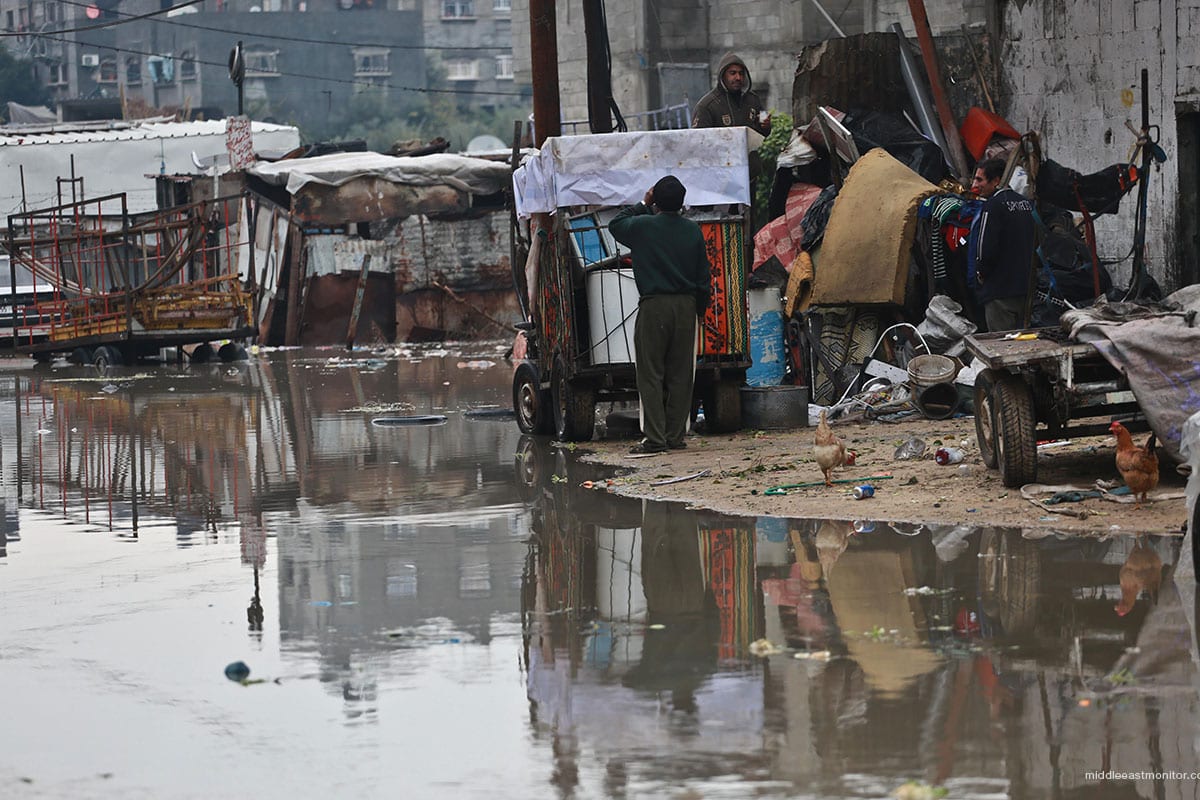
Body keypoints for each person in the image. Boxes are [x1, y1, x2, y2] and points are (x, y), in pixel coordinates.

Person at [609, 176, 711, 454]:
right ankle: (675, 436)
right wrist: (699, 311)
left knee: (650, 374)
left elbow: (615, 224)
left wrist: (643, 202)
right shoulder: (692, 231)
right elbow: (704, 277)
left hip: (654, 306)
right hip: (686, 306)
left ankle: (654, 439)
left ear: (657, 200)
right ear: (682, 202)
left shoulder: (642, 226)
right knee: (681, 375)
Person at [971, 157, 1036, 332]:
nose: (975, 185)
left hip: (1000, 293)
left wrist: (980, 272)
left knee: (1001, 346)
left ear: (996, 181)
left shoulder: (992, 206)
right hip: (1024, 290)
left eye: (980, 179)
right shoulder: (1024, 204)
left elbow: (985, 248)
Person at [691, 53, 771, 135]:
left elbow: (764, 128)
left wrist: (766, 125)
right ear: (723, 76)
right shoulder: (706, 105)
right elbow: (698, 139)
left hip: (749, 148)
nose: (738, 78)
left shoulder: (754, 99)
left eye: (741, 73)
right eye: (733, 73)